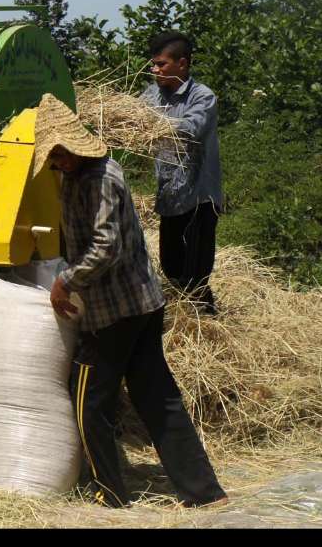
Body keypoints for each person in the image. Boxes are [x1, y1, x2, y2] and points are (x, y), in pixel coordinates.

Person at [34, 94, 227, 509]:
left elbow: (106, 246)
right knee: (157, 398)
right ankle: (204, 492)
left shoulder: (100, 178)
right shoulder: (80, 174)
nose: (58, 162)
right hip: (141, 304)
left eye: (62, 154)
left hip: (116, 312)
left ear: (77, 145)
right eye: (53, 157)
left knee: (88, 403)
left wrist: (64, 281)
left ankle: (110, 494)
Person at [142, 31, 223, 315]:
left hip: (199, 196)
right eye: (153, 64)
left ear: (183, 64)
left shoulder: (203, 97)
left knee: (196, 271)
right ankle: (184, 314)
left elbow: (189, 130)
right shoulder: (152, 95)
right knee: (171, 264)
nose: (155, 70)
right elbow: (134, 118)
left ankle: (206, 322)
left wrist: (151, 124)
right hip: (171, 194)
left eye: (161, 64)